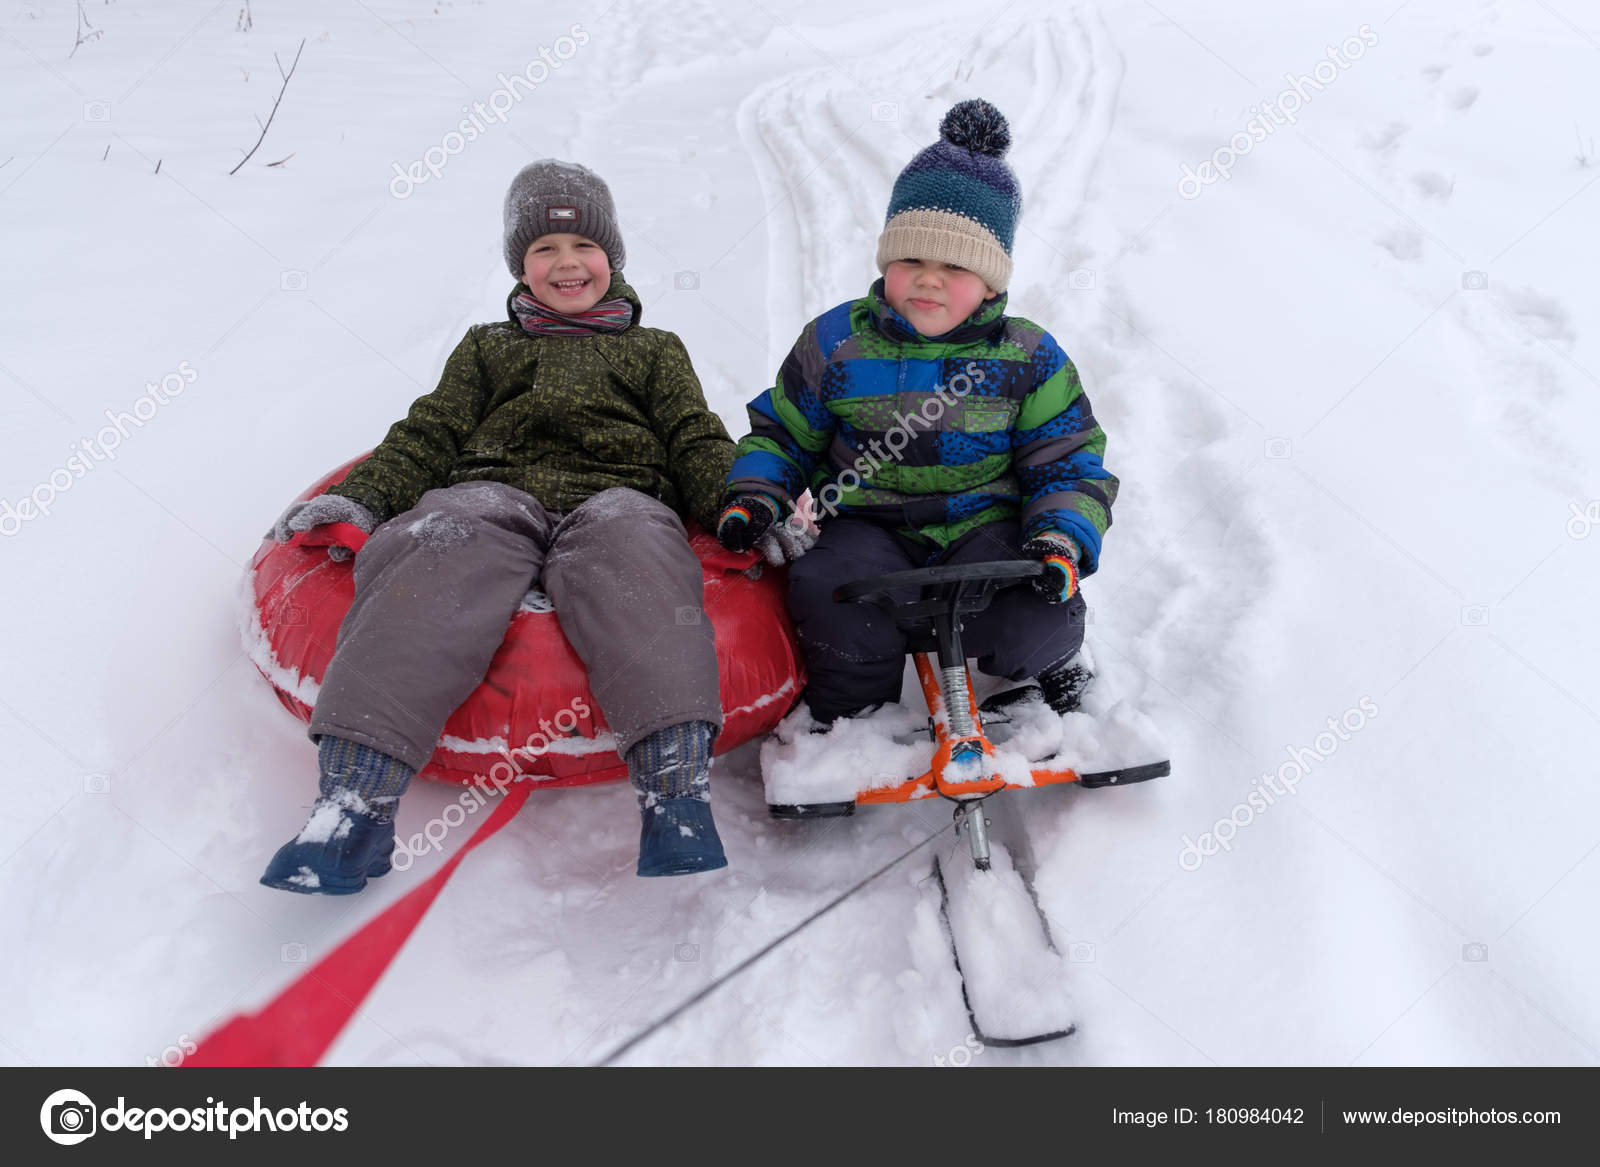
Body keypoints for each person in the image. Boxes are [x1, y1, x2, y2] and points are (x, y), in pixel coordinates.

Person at [261, 159, 736, 893]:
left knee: (639, 558)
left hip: (619, 496)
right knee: (436, 546)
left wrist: (740, 506)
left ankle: (676, 796)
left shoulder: (654, 350)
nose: (567, 264)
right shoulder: (489, 346)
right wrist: (364, 499)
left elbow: (695, 438)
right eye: (544, 249)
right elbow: (431, 431)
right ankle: (352, 806)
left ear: (614, 256)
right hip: (491, 494)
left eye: (584, 247)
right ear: (519, 264)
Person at [716, 100, 1117, 726]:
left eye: (954, 267)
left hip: (986, 520)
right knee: (829, 594)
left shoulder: (1027, 356)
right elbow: (784, 432)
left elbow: (1066, 461)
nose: (928, 281)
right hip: (868, 524)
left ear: (991, 282)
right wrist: (757, 495)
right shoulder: (836, 342)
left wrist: (1059, 538)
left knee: (1032, 613)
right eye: (911, 262)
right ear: (885, 263)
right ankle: (855, 718)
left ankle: (1047, 662)